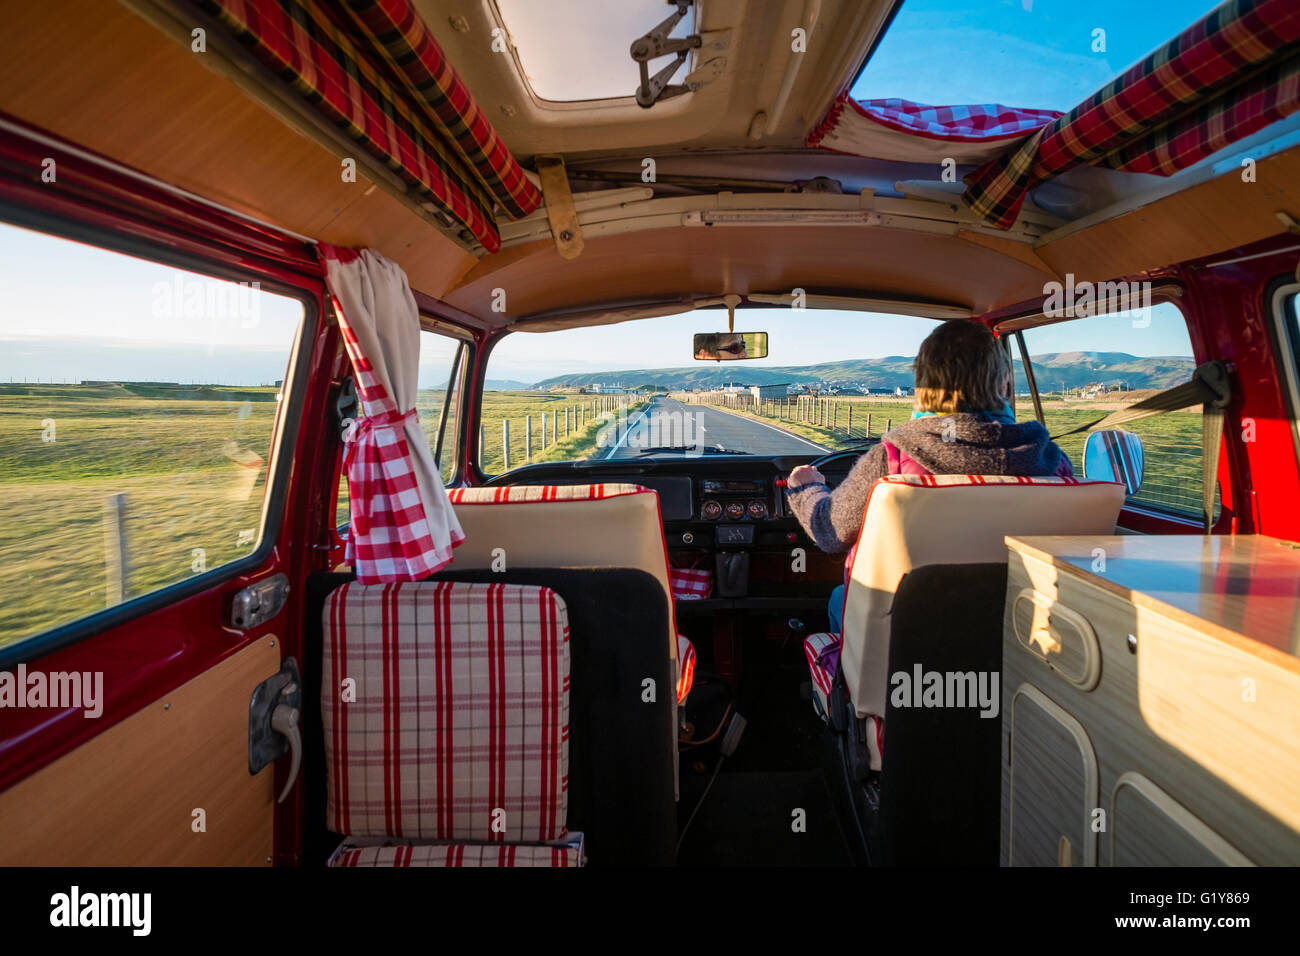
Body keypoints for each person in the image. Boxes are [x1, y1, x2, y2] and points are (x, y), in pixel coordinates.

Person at [785, 320, 1074, 634]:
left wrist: (807, 489)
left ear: (922, 385)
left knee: (839, 598)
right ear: (1004, 383)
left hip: (908, 643)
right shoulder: (1053, 463)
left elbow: (829, 533)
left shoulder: (893, 459)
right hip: (1019, 639)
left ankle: (844, 683)